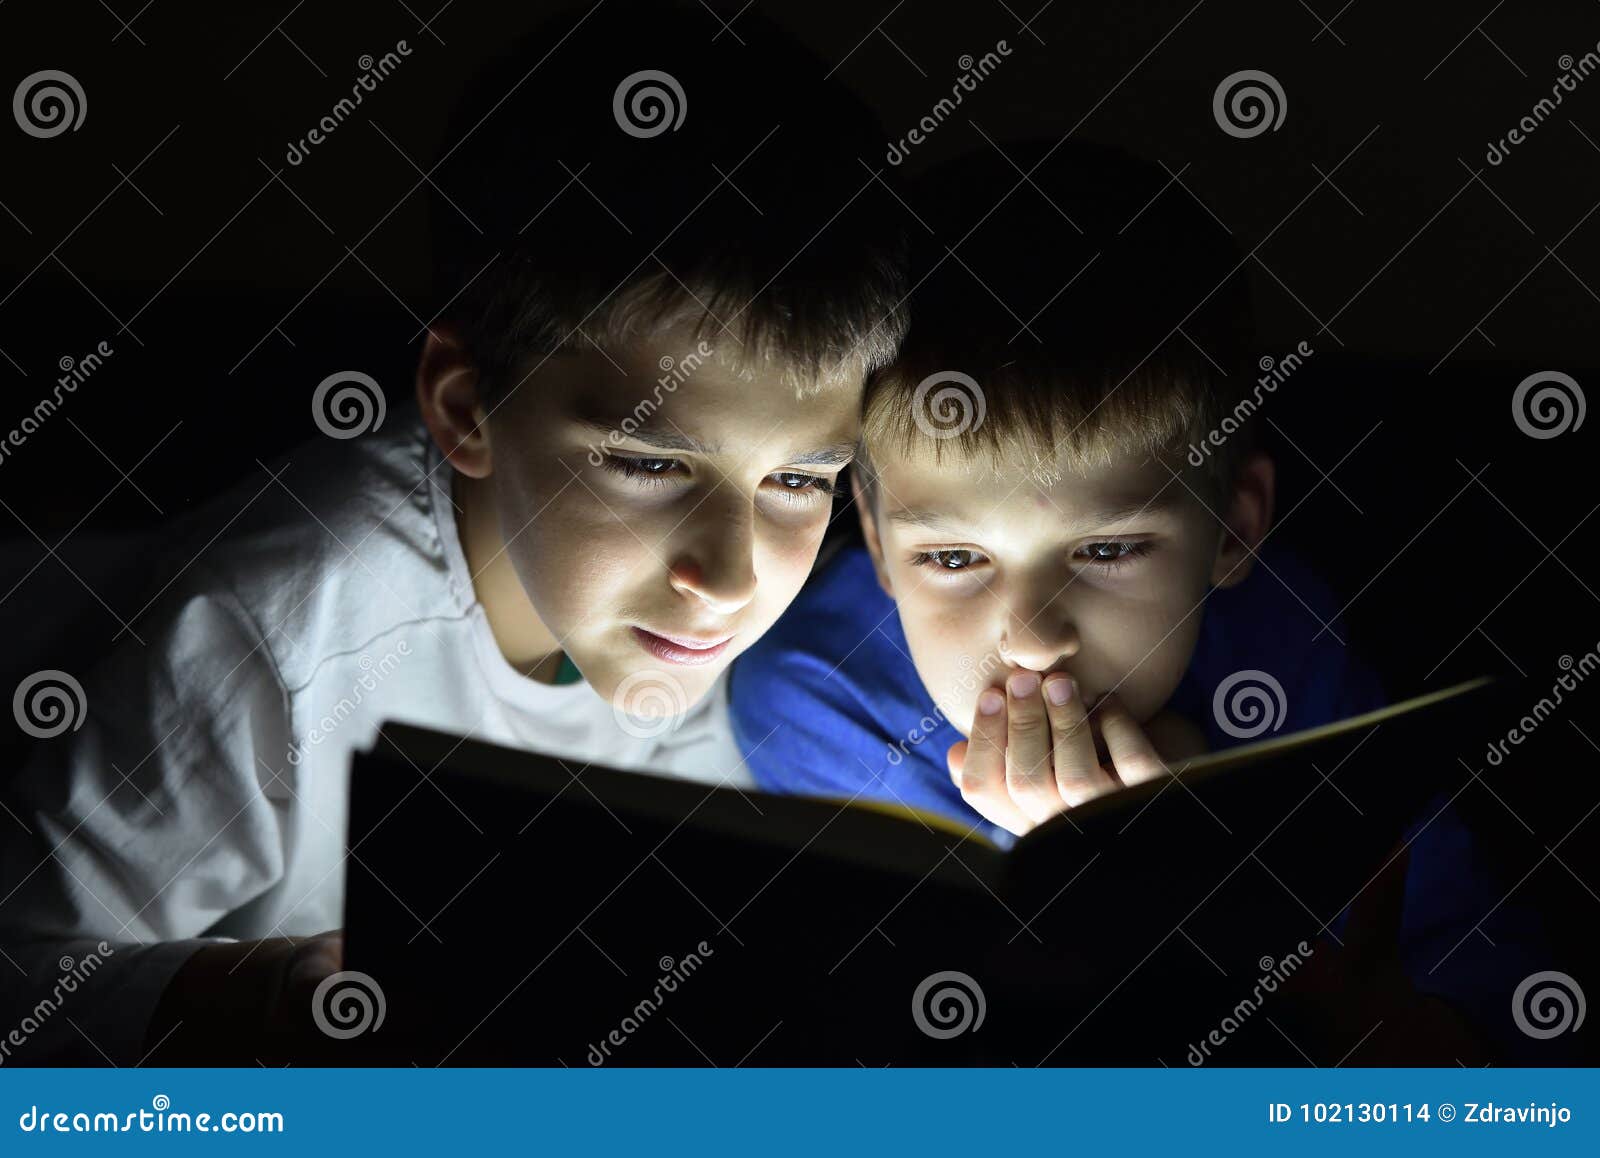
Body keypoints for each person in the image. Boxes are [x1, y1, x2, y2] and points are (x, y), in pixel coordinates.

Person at [0, 0, 908, 1065]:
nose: (730, 576)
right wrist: (273, 1001)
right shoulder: (282, 633)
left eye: (800, 479)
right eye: (652, 465)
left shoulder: (716, 635)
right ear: (466, 408)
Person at [729, 140, 1567, 1064]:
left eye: (1109, 548)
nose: (1036, 639)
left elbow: (1489, 1004)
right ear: (880, 544)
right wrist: (1108, 870)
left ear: (1234, 532)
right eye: (957, 556)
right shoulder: (813, 698)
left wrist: (1222, 852)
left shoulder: (1287, 647)